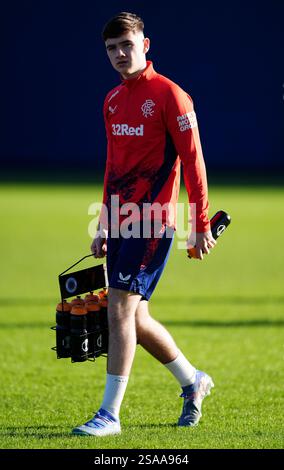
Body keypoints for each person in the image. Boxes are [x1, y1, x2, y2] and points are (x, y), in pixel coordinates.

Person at [72, 11, 216, 437]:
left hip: (153, 221)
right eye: (111, 49)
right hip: (120, 220)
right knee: (135, 318)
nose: (119, 54)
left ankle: (109, 415)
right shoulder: (113, 100)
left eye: (126, 45)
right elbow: (113, 164)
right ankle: (193, 382)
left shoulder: (171, 96)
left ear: (145, 44)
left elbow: (194, 162)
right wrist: (103, 221)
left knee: (119, 306)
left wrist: (201, 222)